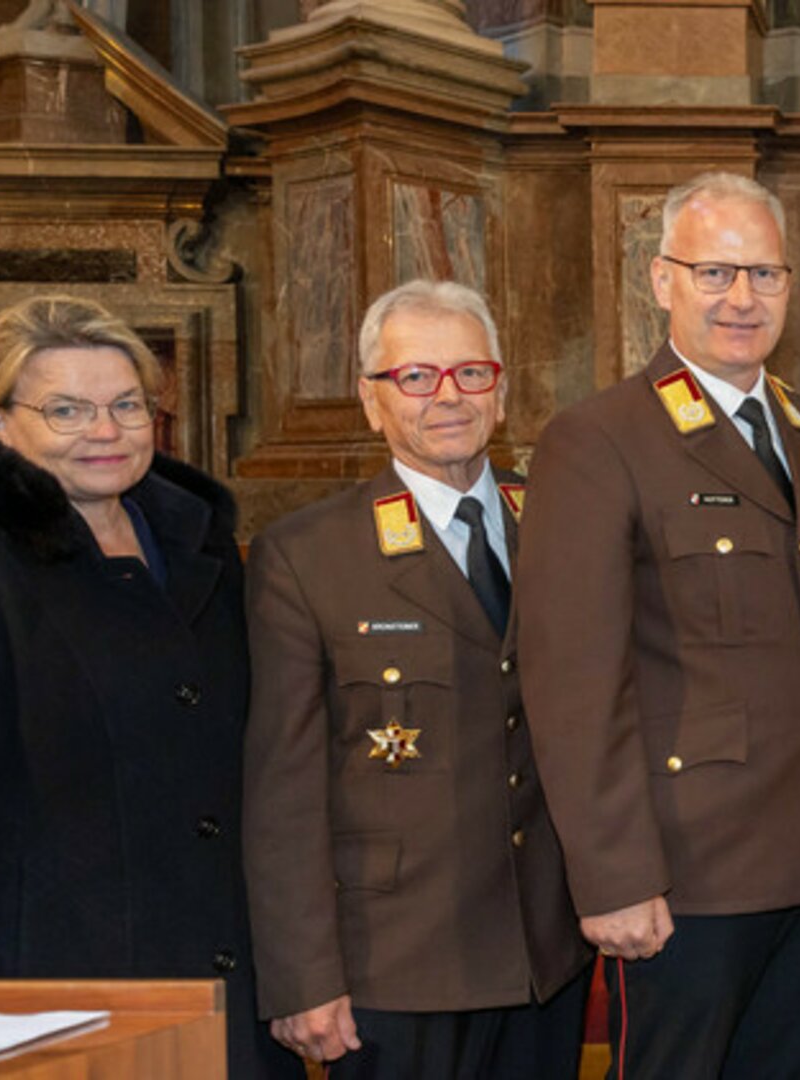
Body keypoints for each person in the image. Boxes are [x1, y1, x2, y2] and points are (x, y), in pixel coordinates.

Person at [517, 171, 800, 1079]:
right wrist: (617, 875)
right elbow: (571, 679)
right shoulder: (601, 439)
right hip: (684, 875)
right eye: (714, 273)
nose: (742, 298)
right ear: (660, 280)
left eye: (765, 274)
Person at [0, 296, 299, 1080]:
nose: (105, 430)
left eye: (126, 404)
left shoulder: (205, 554)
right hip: (59, 1004)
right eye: (66, 410)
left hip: (229, 981)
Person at [242, 280, 592, 1076]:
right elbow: (282, 790)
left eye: (470, 373)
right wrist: (302, 976)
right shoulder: (307, 556)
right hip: (395, 966)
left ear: (499, 393)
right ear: (372, 402)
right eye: (415, 377)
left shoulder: (563, 526)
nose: (448, 397)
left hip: (545, 950)